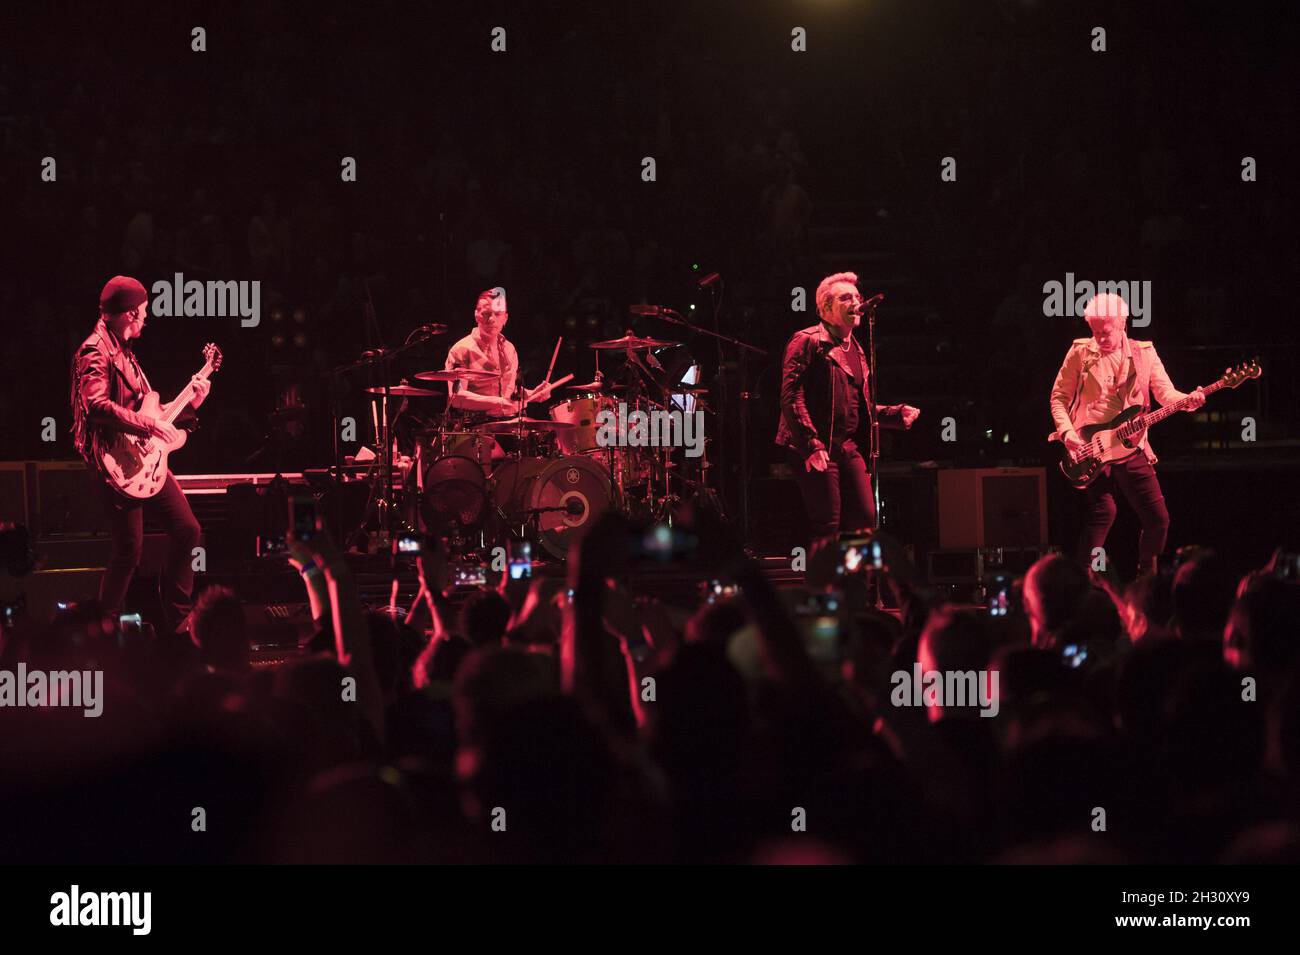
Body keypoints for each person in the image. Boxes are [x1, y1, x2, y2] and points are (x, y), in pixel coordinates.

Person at [70, 276, 210, 632]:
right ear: (131, 313)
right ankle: (101, 629)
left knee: (187, 530)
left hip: (144, 462)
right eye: (144, 312)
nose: (146, 319)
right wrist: (147, 428)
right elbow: (95, 406)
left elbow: (152, 412)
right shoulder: (94, 350)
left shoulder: (125, 350)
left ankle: (178, 619)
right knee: (128, 550)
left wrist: (192, 404)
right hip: (115, 465)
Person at [1049, 292, 1205, 577]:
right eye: (1094, 332)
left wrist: (1187, 400)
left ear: (1122, 324)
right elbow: (1059, 396)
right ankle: (1081, 580)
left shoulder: (1144, 352)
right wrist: (1067, 432)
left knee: (1158, 520)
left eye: (1105, 332)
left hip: (1131, 445)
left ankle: (1147, 576)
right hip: (1089, 446)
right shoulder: (1080, 351)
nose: (1100, 339)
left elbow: (1165, 393)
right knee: (1103, 513)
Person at [775, 271, 920, 556]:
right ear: (825, 308)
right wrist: (811, 444)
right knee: (828, 524)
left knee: (865, 520)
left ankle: (855, 592)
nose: (856, 302)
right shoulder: (806, 341)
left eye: (857, 296)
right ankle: (824, 595)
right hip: (817, 445)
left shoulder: (856, 348)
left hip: (848, 446)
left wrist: (893, 415)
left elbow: (854, 403)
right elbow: (791, 396)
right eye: (845, 297)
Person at [443, 287, 557, 420]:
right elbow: (457, 397)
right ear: (476, 315)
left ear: (505, 318)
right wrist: (500, 402)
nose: (491, 319)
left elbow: (509, 393)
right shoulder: (461, 349)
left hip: (508, 424)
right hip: (475, 428)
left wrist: (532, 394)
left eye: (497, 314)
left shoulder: (509, 348)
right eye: (486, 313)